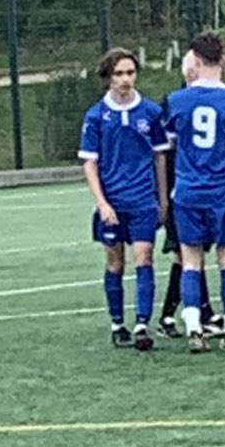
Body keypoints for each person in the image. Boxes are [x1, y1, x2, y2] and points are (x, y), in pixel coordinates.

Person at [165, 32, 225, 353]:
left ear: (197, 59)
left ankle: (193, 327)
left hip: (188, 192)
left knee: (192, 261)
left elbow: (169, 145)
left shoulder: (178, 101)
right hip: (221, 192)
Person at [79, 48, 169, 351]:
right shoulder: (96, 116)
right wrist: (103, 203)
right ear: (108, 77)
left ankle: (143, 323)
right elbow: (90, 163)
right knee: (115, 262)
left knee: (144, 257)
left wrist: (163, 200)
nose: (125, 79)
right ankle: (118, 323)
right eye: (119, 74)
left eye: (130, 73)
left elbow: (159, 158)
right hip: (113, 203)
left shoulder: (151, 112)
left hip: (143, 200)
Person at [158, 51, 220, 337]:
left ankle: (187, 313)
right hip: (180, 185)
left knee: (191, 252)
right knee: (186, 252)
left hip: (195, 186)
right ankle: (177, 314)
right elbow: (162, 151)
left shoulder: (197, 102)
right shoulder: (175, 103)